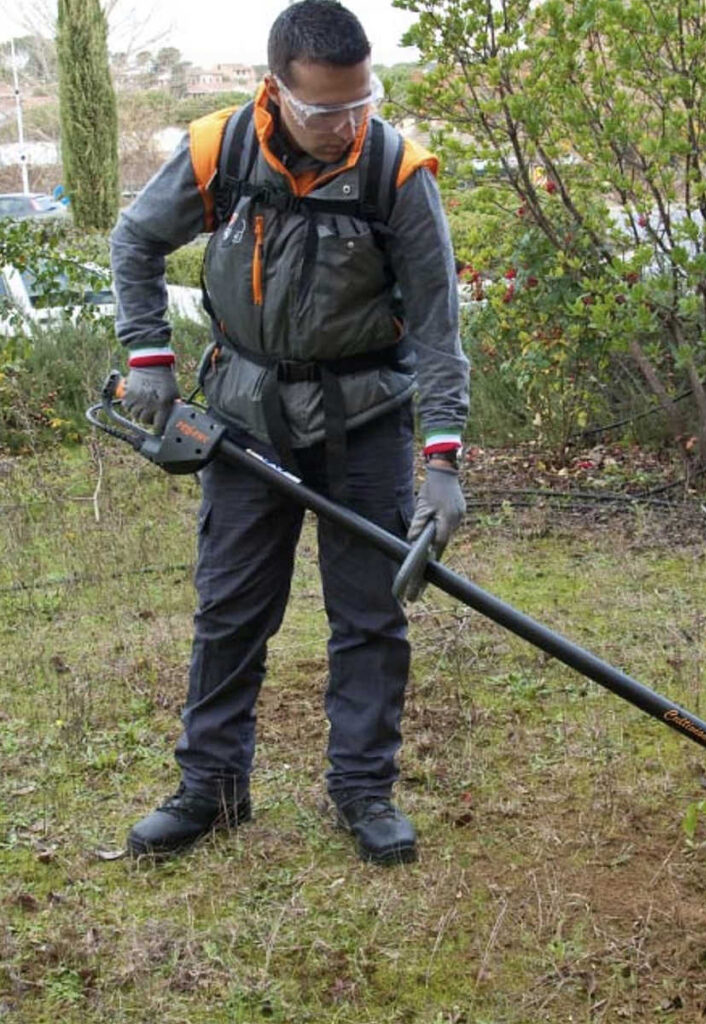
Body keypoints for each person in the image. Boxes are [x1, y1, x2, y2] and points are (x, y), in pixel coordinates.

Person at [111, 0, 469, 866]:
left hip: (366, 421)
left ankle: (363, 791)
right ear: (275, 90)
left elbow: (436, 326)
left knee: (371, 617)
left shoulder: (397, 172)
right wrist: (149, 354)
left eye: (361, 103)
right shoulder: (219, 150)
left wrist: (443, 461)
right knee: (231, 610)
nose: (345, 126)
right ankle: (211, 788)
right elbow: (134, 242)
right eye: (323, 110)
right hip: (244, 417)